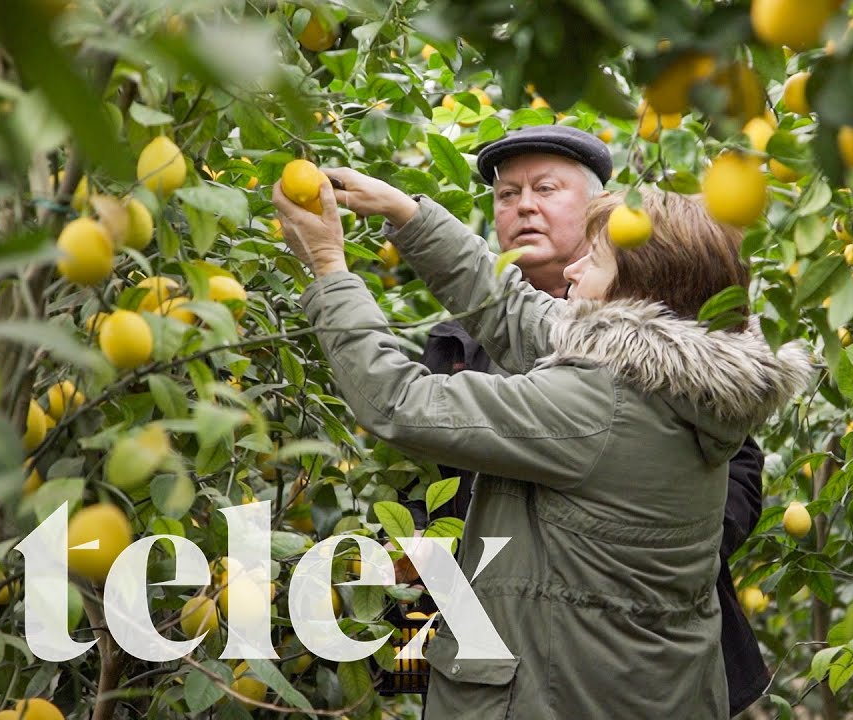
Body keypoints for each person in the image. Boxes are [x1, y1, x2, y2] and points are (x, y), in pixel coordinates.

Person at [273, 166, 811, 718]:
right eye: (508, 194)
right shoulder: (675, 379)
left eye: (594, 260)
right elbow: (513, 309)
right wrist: (404, 213)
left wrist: (328, 267)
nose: (575, 267)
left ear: (636, 296)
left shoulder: (601, 405)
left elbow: (397, 401)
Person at [418, 126, 775, 716]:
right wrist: (419, 664)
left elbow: (734, 465)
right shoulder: (455, 341)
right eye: (507, 195)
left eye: (545, 189)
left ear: (597, 213)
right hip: (497, 645)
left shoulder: (666, 327)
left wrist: (649, 565)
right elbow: (435, 501)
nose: (523, 206)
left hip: (639, 650)